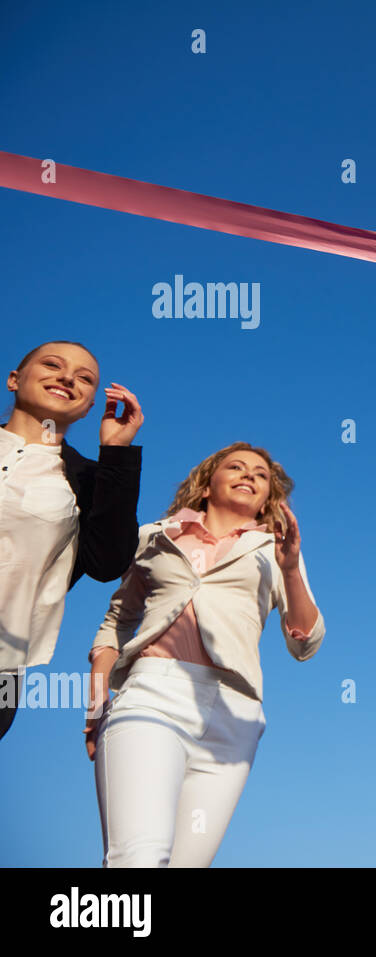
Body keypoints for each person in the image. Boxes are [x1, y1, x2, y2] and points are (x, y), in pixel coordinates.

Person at [84, 442, 325, 867]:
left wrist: (289, 569)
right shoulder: (155, 537)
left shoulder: (276, 551)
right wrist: (95, 703)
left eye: (261, 474)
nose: (249, 475)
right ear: (206, 485)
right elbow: (117, 623)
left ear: (269, 496)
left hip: (235, 715)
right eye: (235, 467)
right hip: (153, 695)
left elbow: (304, 643)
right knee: (139, 857)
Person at [0, 340, 143, 742]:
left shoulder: (87, 480)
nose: (67, 378)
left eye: (85, 379)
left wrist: (116, 452)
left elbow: (108, 564)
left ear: (88, 405)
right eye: (52, 365)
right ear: (14, 379)